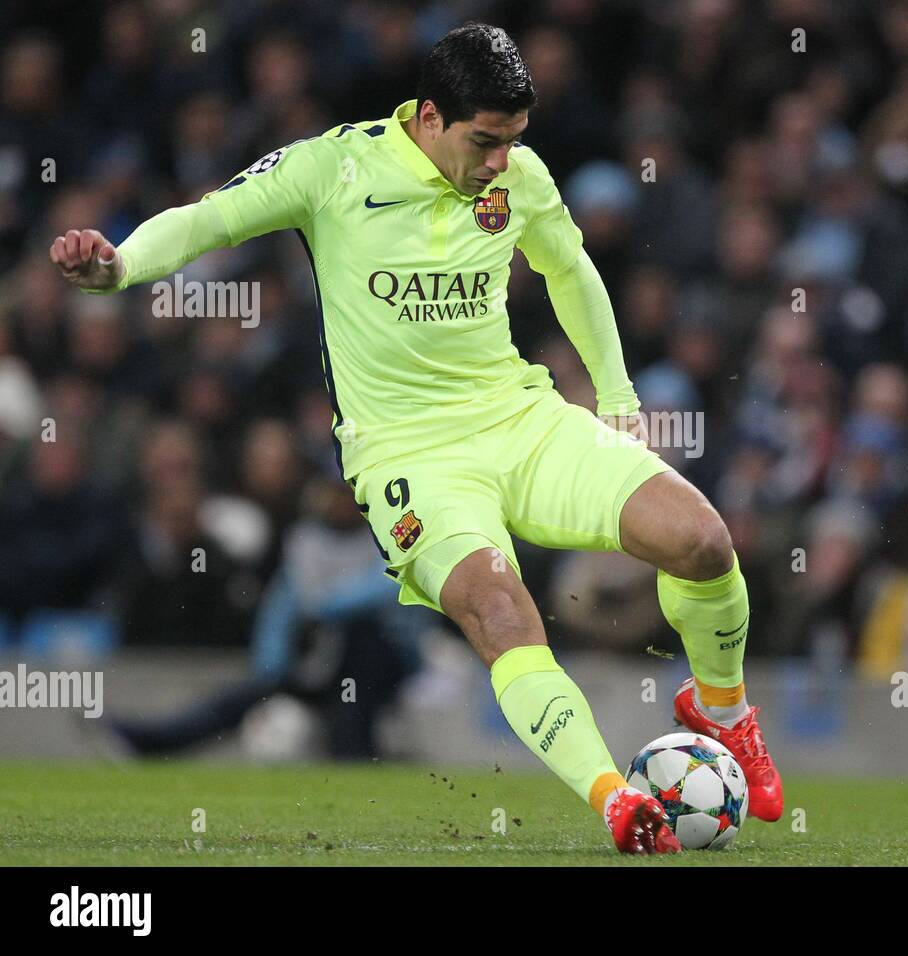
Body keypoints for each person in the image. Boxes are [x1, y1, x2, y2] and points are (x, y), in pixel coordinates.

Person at [49, 22, 781, 855]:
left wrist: (616, 396)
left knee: (702, 540)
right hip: (408, 457)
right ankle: (618, 801)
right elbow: (204, 222)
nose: (503, 160)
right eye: (487, 140)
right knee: (502, 610)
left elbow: (569, 268)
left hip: (520, 420)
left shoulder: (519, 177)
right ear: (429, 117)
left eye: (515, 141)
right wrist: (120, 268)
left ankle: (722, 712)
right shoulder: (333, 169)